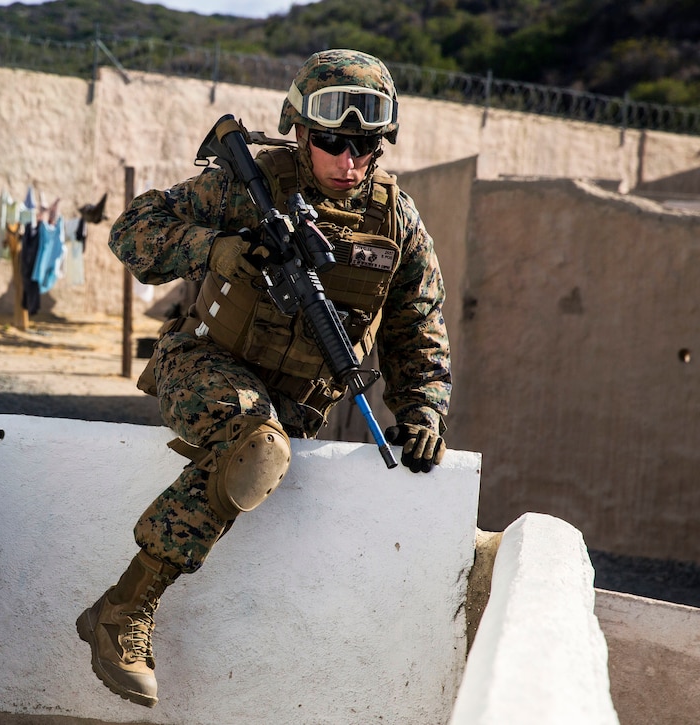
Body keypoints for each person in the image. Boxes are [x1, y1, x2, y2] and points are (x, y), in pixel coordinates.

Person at [76, 48, 452, 708]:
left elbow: (418, 326)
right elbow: (133, 231)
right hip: (201, 364)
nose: (349, 161)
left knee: (264, 442)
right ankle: (126, 610)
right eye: (332, 142)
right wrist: (211, 247)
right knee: (259, 443)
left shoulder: (396, 222)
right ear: (301, 133)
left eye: (365, 146)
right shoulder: (249, 185)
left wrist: (424, 411)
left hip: (295, 406)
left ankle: (115, 609)